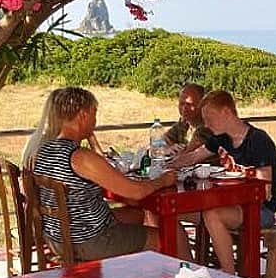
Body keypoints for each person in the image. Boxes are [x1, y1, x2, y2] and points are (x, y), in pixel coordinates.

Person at [32, 87, 186, 262]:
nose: (95, 122)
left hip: (57, 237)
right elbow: (136, 192)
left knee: (138, 214)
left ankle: (139, 269)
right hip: (88, 240)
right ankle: (192, 276)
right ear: (83, 115)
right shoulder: (80, 157)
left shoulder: (44, 150)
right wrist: (163, 180)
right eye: (94, 114)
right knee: (169, 237)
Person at [180, 89, 276, 274]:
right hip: (231, 204)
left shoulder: (258, 140)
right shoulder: (221, 138)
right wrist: (167, 166)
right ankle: (189, 269)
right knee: (172, 213)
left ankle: (229, 275)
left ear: (226, 112)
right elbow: (194, 156)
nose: (206, 124)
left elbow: (265, 191)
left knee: (212, 214)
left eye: (210, 118)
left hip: (260, 209)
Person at [165, 82, 215, 151]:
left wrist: (171, 149)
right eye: (181, 103)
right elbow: (163, 140)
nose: (184, 108)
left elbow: (189, 152)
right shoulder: (184, 123)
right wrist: (170, 147)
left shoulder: (207, 126)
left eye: (189, 104)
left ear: (202, 105)